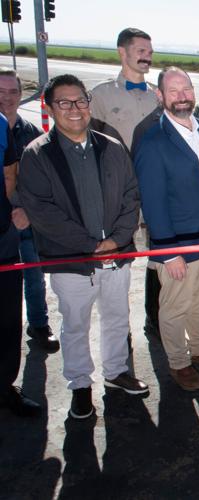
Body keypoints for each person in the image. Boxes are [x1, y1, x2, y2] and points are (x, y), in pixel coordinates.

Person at [18, 74, 147, 419]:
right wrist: (91, 245)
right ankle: (79, 385)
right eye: (64, 102)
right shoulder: (37, 155)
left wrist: (117, 239)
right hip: (70, 261)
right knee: (75, 325)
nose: (75, 109)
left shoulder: (112, 146)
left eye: (80, 101)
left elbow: (130, 196)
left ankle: (116, 371)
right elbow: (43, 212)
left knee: (118, 318)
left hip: (116, 257)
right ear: (49, 107)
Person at [134, 67, 199, 391]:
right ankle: (178, 362)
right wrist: (169, 253)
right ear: (160, 96)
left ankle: (198, 348)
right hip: (177, 247)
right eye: (173, 90)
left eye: (185, 88)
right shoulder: (153, 140)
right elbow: (153, 201)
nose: (182, 95)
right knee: (175, 307)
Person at [89, 28, 167, 341]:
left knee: (157, 259)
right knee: (116, 267)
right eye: (141, 50)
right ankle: (120, 338)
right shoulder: (101, 96)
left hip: (153, 195)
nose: (147, 55)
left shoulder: (157, 96)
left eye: (150, 50)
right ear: (122, 51)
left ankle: (156, 322)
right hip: (115, 199)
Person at [0, 67, 57, 351]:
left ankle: (39, 326)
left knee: (35, 278)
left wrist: (25, 210)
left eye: (13, 92)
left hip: (25, 220)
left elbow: (43, 182)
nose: (7, 98)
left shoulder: (33, 134)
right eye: (1, 91)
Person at [0, 108, 41, 417]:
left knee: (7, 318)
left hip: (3, 239)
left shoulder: (1, 124)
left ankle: (4, 387)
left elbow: (10, 173)